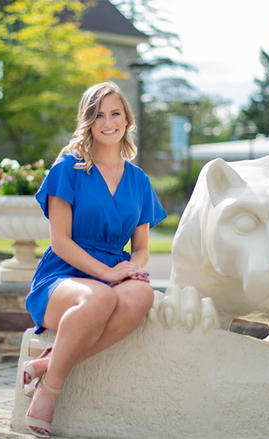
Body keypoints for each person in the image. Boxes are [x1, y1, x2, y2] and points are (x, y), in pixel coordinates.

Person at [22, 82, 166, 438]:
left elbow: (142, 246)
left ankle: (47, 362)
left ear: (127, 118)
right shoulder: (68, 168)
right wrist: (107, 273)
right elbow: (60, 241)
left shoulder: (139, 180)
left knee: (142, 296)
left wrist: (134, 268)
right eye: (98, 114)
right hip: (63, 276)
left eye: (115, 113)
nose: (108, 122)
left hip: (114, 271)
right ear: (87, 121)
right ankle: (50, 392)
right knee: (99, 297)